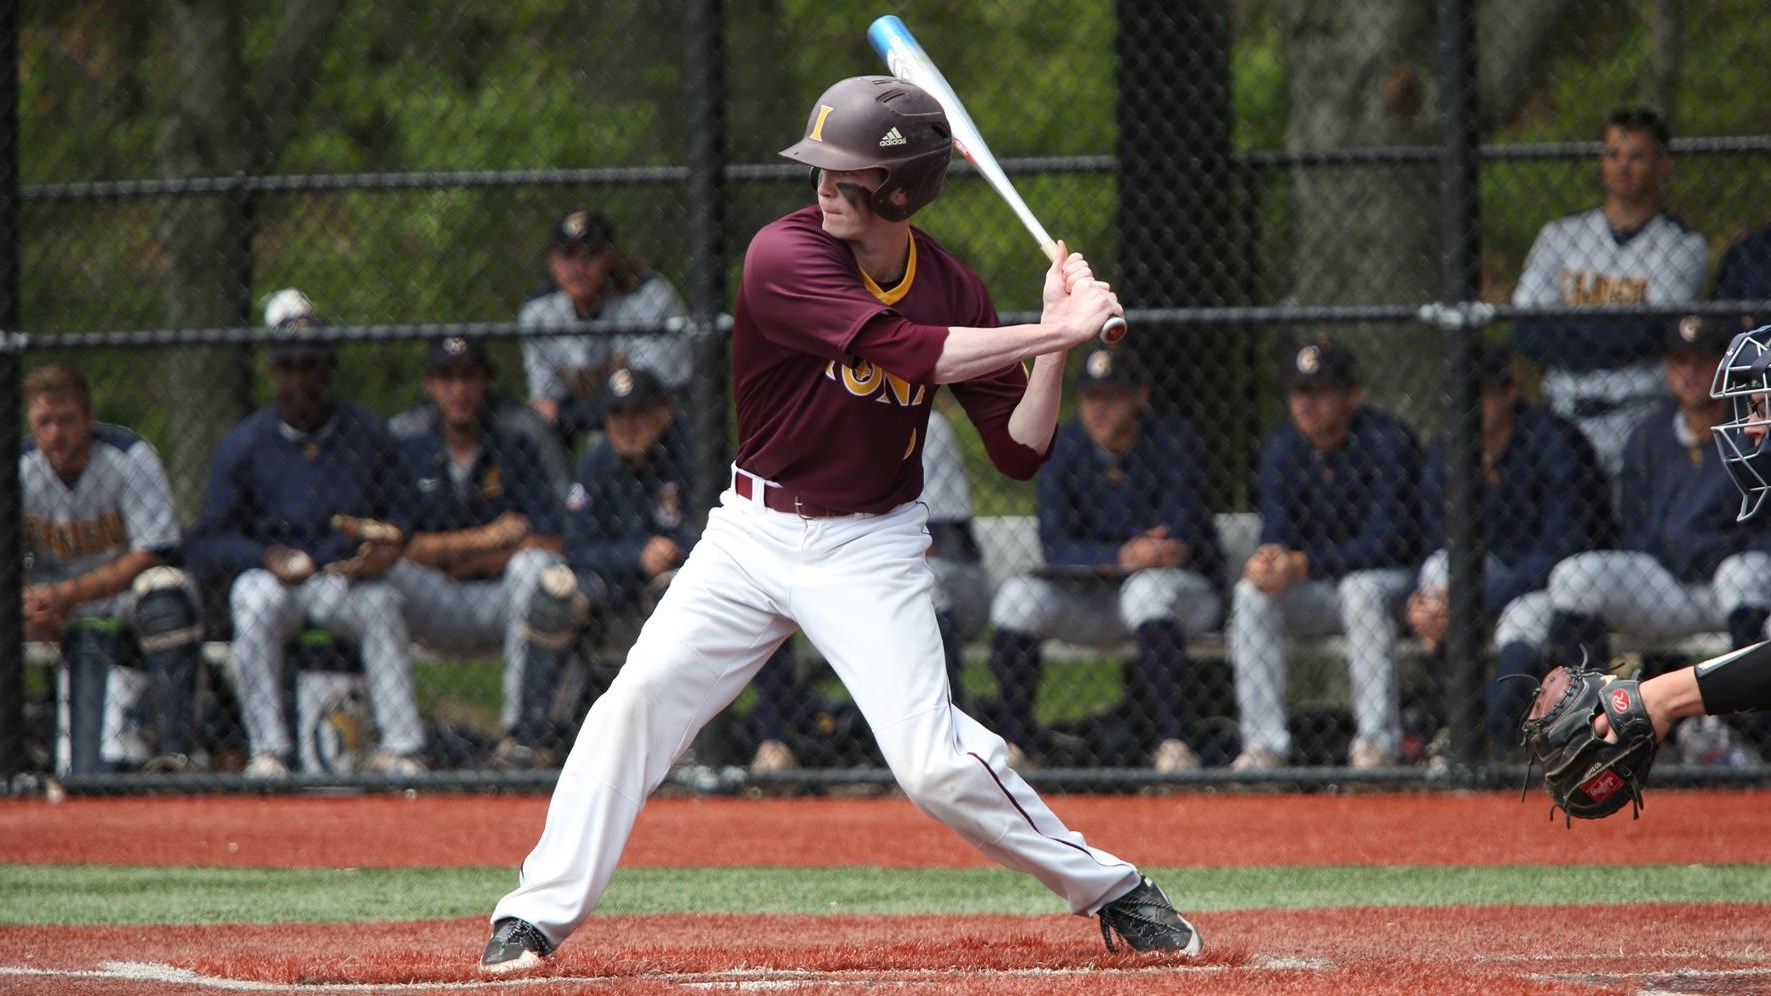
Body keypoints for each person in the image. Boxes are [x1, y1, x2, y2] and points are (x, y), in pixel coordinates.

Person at [480, 75, 1200, 974]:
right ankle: (534, 915)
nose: (821, 184)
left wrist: (1053, 342)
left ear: (900, 189)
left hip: (871, 545)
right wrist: (1052, 332)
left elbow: (1018, 450)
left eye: (845, 171)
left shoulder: (953, 286)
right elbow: (904, 350)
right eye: (819, 166)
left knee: (934, 767)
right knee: (635, 703)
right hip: (751, 535)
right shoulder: (784, 254)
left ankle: (1113, 889)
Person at [187, 290, 426, 778]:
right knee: (251, 600)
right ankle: (269, 752)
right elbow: (208, 541)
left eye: (312, 366)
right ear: (274, 372)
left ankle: (403, 749)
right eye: (290, 367)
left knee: (383, 604)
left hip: (342, 576)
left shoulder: (366, 433)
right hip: (275, 579)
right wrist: (263, 556)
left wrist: (383, 542)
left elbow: (405, 514)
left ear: (329, 369)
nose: (301, 379)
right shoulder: (245, 444)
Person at [543, 364, 801, 773]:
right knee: (551, 597)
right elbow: (577, 545)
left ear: (663, 412)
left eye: (638, 413)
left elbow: (738, 521)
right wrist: (635, 554)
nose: (627, 425)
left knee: (738, 596)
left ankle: (744, 743)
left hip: (689, 581)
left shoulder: (697, 452)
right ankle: (537, 739)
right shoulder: (598, 459)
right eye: (617, 415)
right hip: (616, 588)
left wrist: (678, 547)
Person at [1541, 315, 1771, 765]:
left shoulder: (1757, 434)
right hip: (1667, 587)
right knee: (1574, 576)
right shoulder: (1648, 436)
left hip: (1736, 587)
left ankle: (1750, 732)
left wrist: (1702, 548)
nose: (1691, 373)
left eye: (1703, 361)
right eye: (1680, 361)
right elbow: (1637, 532)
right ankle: (1590, 725)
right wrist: (1684, 549)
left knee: (1743, 572)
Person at [985, 346, 1223, 771]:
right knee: (1017, 600)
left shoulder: (1174, 441)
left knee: (1147, 591)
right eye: (1091, 396)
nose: (1098, 408)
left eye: (1111, 397)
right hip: (1092, 595)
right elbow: (1055, 545)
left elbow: (1178, 538)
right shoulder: (1063, 445)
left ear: (1139, 396)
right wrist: (1123, 554)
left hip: (1181, 595)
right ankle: (1019, 744)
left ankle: (1174, 744)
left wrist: (1124, 556)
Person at [1405, 342, 1611, 756]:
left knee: (1523, 620)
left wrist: (1475, 600)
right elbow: (1430, 545)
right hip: (1480, 584)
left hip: (1544, 584)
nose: (1468, 407)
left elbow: (1563, 549)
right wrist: (1422, 601)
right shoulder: (1446, 452)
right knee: (1436, 572)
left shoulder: (1553, 442)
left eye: (1480, 394)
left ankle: (1489, 734)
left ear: (1509, 392)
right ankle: (1453, 726)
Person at [1229, 339, 1423, 770]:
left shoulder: (1387, 441)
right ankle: (1264, 745)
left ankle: (1377, 743)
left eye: (1319, 392)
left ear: (1351, 396)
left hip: (1389, 589)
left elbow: (1387, 543)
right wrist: (1269, 561)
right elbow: (1276, 529)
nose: (1306, 403)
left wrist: (1304, 564)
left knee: (1360, 589)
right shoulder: (1282, 447)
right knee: (1250, 595)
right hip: (1317, 591)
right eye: (1299, 391)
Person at [384, 336, 571, 769]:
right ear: (429, 384)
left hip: (504, 597)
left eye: (469, 377)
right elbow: (388, 547)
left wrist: (452, 555)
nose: (459, 390)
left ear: (487, 381)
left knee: (535, 567)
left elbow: (555, 540)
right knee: (379, 584)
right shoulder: (405, 436)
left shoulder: (521, 431)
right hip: (433, 598)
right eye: (447, 378)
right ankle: (403, 746)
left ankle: (521, 736)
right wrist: (488, 538)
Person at [21, 364, 205, 774]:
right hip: (50, 599)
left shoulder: (128, 456)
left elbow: (153, 551)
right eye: (44, 422)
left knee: (166, 592)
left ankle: (176, 753)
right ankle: (14, 754)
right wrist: (26, 601)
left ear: (88, 418)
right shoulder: (19, 467)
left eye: (66, 419)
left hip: (121, 593)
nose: (56, 433)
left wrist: (68, 594)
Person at [1511, 107, 1708, 485]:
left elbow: (1650, 333)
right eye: (1613, 154)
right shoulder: (1561, 236)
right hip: (1562, 413)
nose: (1623, 167)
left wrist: (1568, 333)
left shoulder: (1681, 245)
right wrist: (1612, 339)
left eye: (1637, 156)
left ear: (1662, 164)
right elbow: (1526, 330)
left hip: (1641, 415)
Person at [518, 209, 690, 445]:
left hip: (661, 429)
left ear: (611, 258)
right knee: (537, 432)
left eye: (590, 255)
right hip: (600, 436)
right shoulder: (539, 312)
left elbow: (647, 395)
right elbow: (547, 407)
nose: (578, 268)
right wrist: (564, 416)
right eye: (568, 256)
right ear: (552, 263)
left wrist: (567, 416)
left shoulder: (648, 297)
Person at [920, 407, 992, 710]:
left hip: (958, 585)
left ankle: (951, 710)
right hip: (875, 580)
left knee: (922, 583)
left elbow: (934, 542)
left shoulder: (928, 425)